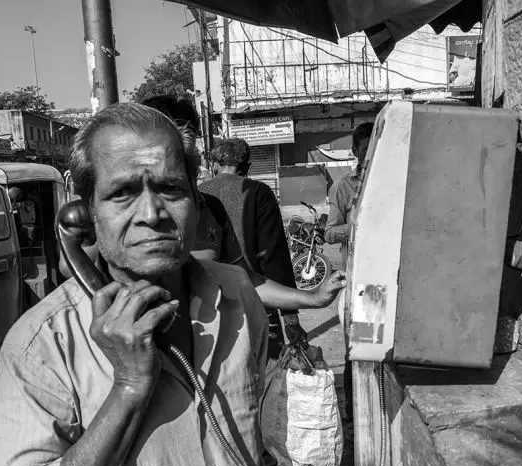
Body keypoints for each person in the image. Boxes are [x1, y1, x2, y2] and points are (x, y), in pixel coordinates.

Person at [0, 103, 272, 466]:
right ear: (84, 212)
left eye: (171, 189)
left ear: (196, 199)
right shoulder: (42, 343)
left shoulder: (237, 293)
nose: (152, 213)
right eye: (122, 193)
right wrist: (126, 390)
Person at [141, 95, 345, 312]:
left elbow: (246, 280)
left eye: (188, 173)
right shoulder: (133, 224)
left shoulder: (210, 208)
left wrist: (314, 298)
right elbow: (273, 258)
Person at [199, 138, 307, 357]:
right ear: (247, 167)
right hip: (257, 302)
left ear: (215, 165)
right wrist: (290, 318)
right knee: (265, 371)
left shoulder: (199, 194)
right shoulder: (259, 192)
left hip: (207, 305)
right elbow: (274, 256)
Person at [325, 121, 374, 420]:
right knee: (358, 348)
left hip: (390, 280)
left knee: (382, 350)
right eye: (366, 150)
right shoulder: (343, 187)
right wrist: (358, 227)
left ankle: (376, 412)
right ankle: (354, 417)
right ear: (355, 152)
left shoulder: (393, 180)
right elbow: (330, 233)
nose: (370, 156)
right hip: (360, 285)